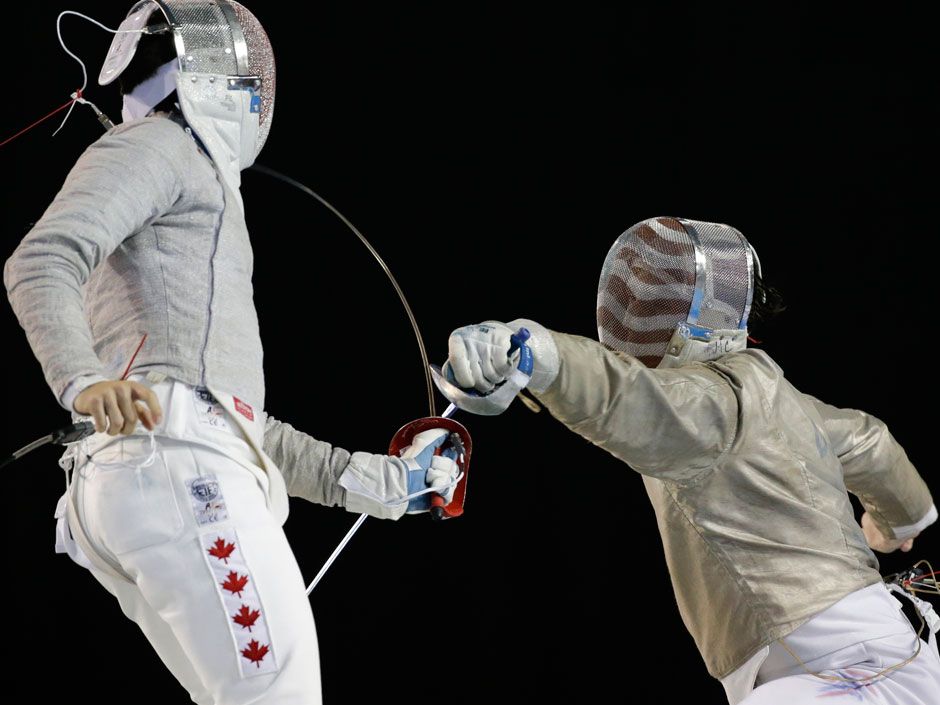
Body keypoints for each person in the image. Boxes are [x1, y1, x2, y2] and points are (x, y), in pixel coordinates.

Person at [3, 2, 458, 703]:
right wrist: (84, 380)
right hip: (174, 470)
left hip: (158, 472)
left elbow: (226, 417)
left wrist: (380, 483)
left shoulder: (194, 192)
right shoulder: (159, 148)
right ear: (217, 75)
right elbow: (40, 258)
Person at [437, 216, 939, 704]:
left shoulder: (713, 404)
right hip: (887, 652)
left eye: (656, 300)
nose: (636, 309)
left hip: (843, 674)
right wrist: (900, 519)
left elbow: (624, 397)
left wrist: (532, 354)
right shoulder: (776, 397)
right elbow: (869, 442)